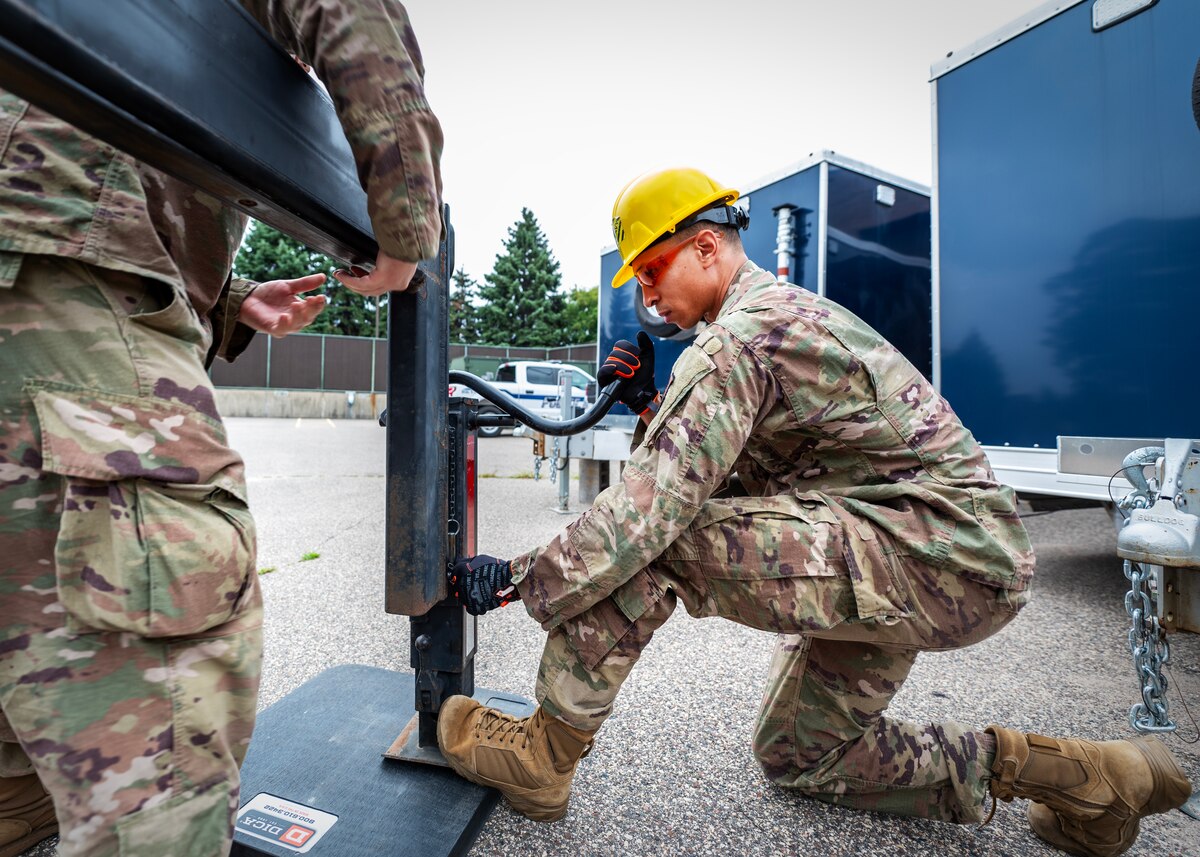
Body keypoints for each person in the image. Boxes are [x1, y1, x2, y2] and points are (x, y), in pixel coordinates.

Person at [439, 167, 1191, 856]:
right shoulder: (767, 320)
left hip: (933, 554)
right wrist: (649, 407)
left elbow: (648, 516)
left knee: (659, 543)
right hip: (933, 552)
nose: (646, 296)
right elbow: (736, 476)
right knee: (800, 753)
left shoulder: (740, 339)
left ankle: (544, 755)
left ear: (705, 247)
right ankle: (1087, 777)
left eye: (652, 269)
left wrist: (516, 578)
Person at [0, 1, 442, 854]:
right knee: (161, 752)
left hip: (45, 263)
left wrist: (232, 300)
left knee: (25, 647)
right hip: (70, 271)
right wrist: (405, 227)